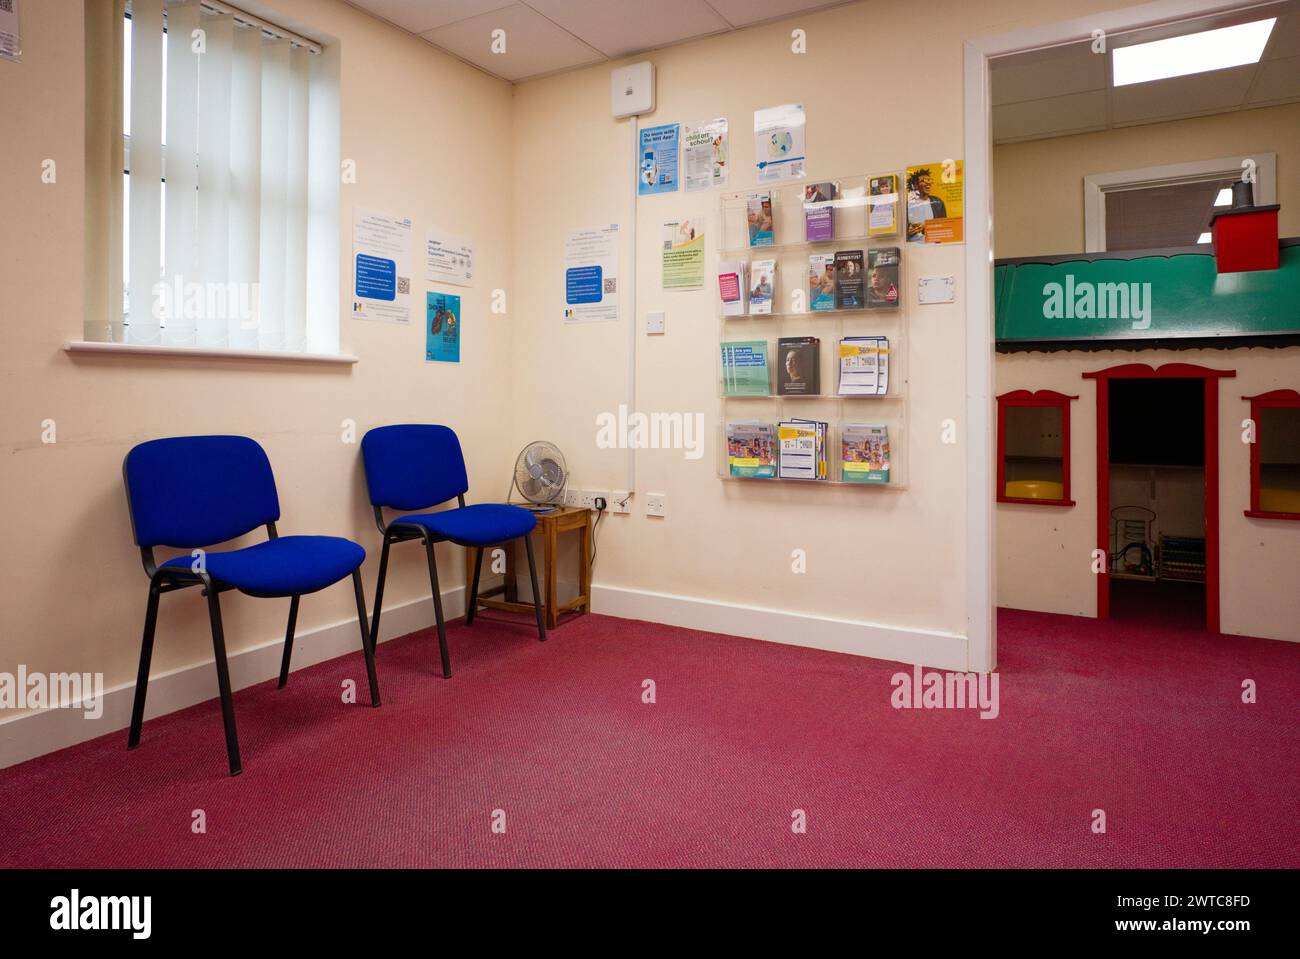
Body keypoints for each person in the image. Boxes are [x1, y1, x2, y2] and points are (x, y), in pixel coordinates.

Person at [907, 167, 947, 242]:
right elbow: (901, 231)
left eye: (929, 180)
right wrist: (908, 232)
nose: (928, 183)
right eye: (923, 181)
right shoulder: (906, 204)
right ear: (915, 185)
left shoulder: (938, 202)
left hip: (933, 246)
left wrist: (925, 228)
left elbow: (944, 229)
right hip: (913, 247)